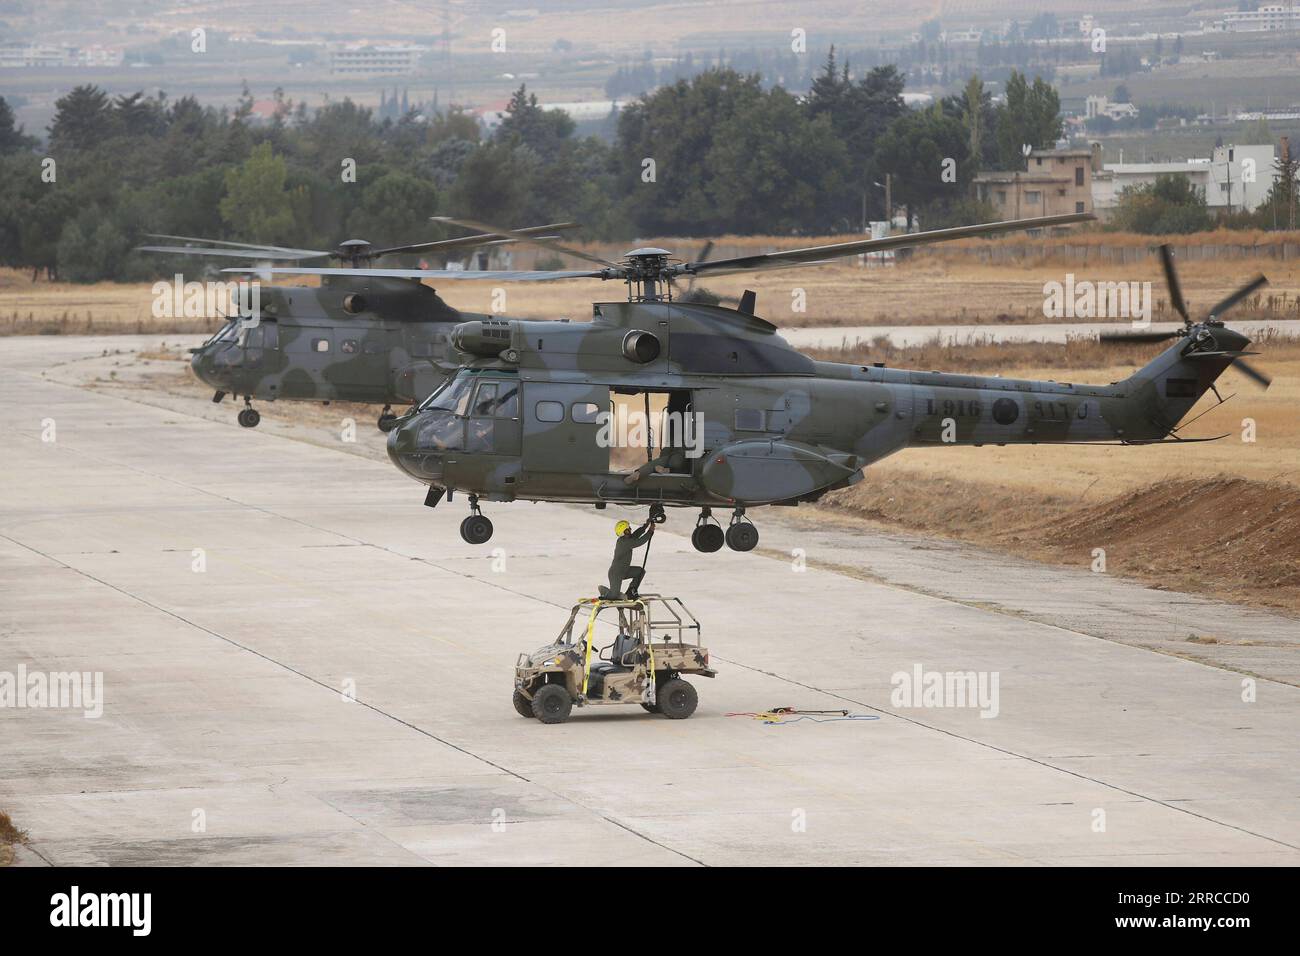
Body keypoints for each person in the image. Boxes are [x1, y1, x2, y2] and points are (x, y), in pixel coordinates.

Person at [600, 518, 654, 599]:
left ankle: (631, 591)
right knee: (614, 596)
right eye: (628, 529)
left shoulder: (627, 539)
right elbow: (639, 541)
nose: (630, 529)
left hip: (625, 571)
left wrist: (645, 526)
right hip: (616, 573)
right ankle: (604, 591)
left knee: (640, 572)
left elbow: (636, 535)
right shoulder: (624, 542)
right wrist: (650, 531)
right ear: (624, 532)